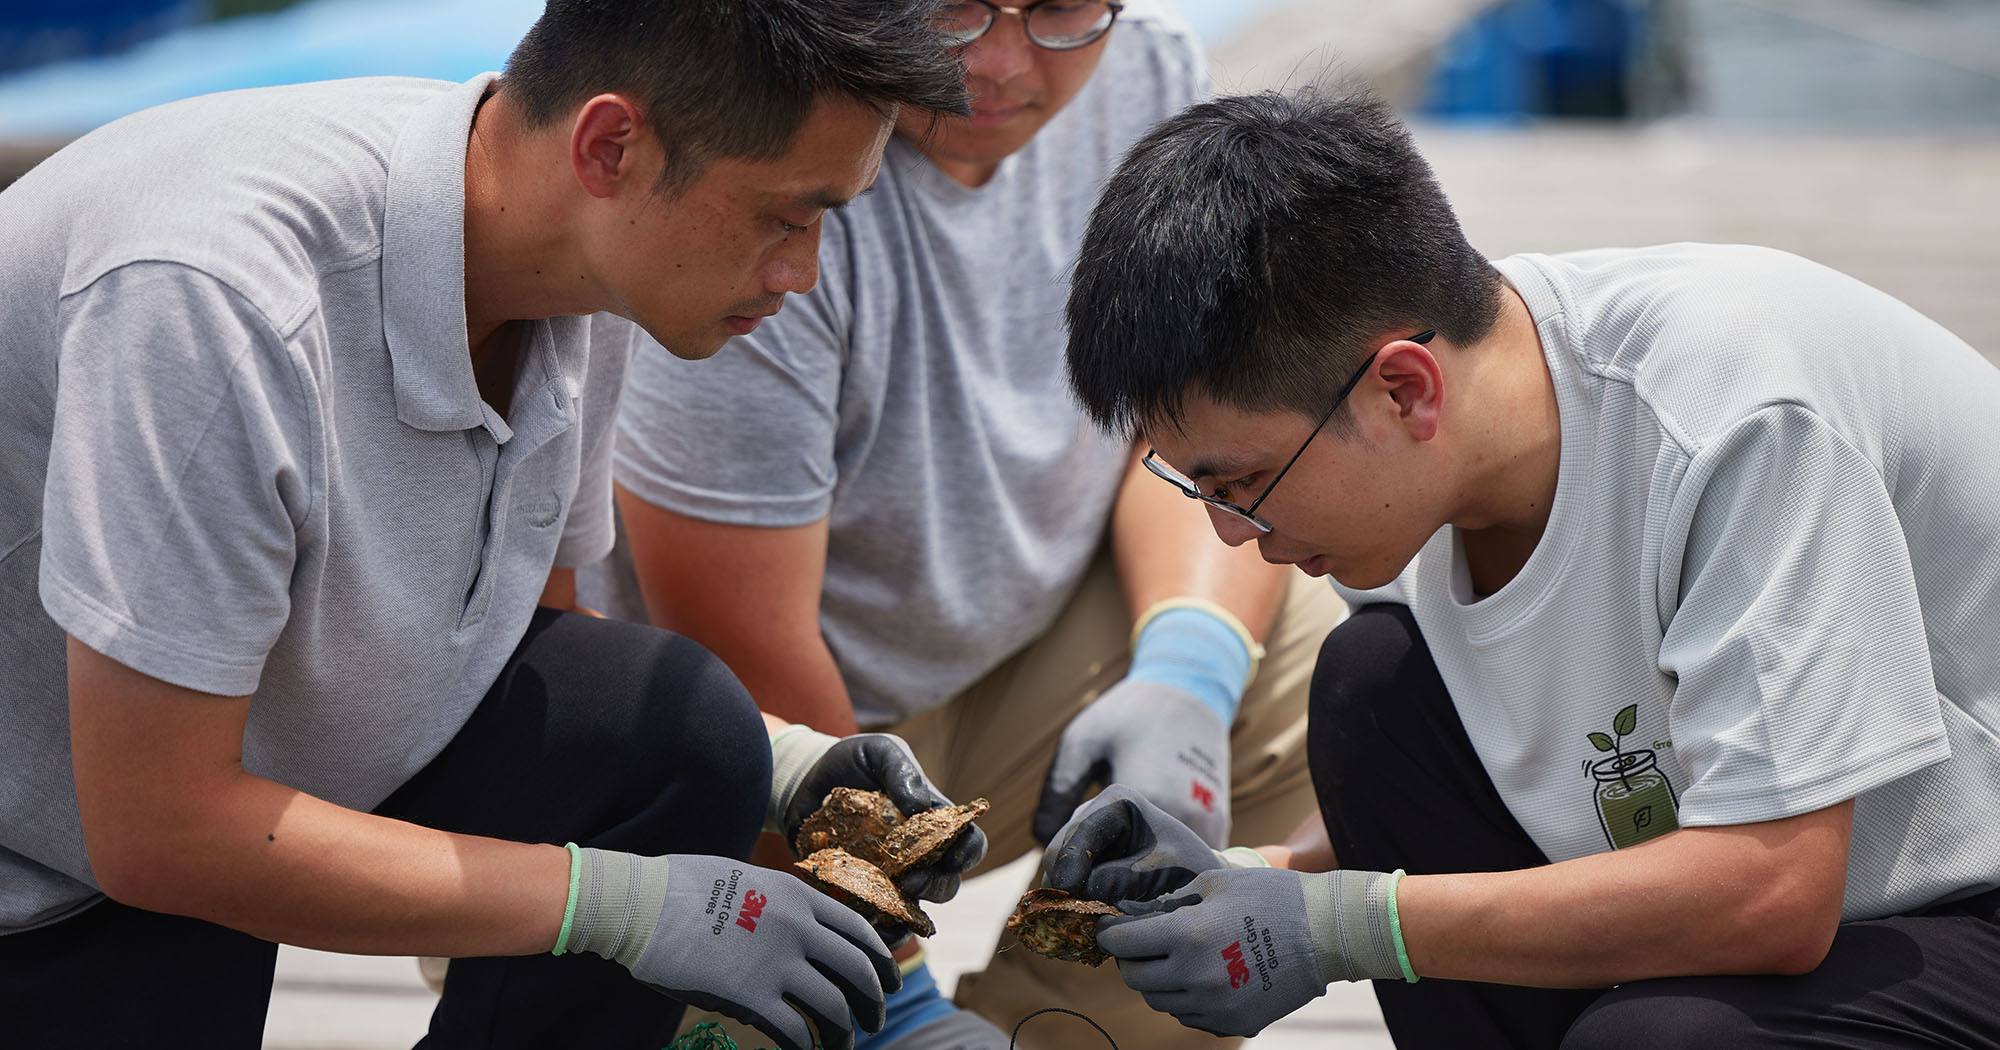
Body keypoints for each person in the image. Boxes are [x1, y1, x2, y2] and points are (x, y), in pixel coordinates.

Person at [0, 3, 985, 1049]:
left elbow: (529, 669)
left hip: (217, 777)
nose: (804, 273)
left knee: (674, 730)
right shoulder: (220, 301)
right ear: (609, 144)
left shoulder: (569, 254)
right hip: (52, 867)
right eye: (788, 216)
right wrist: (622, 908)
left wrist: (787, 764)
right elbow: (157, 832)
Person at [1045, 86, 2000, 1048]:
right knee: (1370, 688)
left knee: (1661, 1042)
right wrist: (1249, 878)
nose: (1230, 532)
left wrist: (1337, 929)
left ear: (1403, 390)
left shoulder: (1734, 416)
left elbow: (1773, 891)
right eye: (1198, 486)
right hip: (1806, 888)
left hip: (1963, 901)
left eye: (1243, 481)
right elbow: (1530, 764)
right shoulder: (1422, 449)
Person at [601, 1, 1346, 1046]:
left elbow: (1193, 429)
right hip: (727, 771)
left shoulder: (1149, 74)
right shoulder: (760, 159)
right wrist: (895, 992)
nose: (994, 67)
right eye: (947, 8)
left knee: (1312, 661)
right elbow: (735, 648)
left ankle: (1056, 1027)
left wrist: (1186, 669)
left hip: (998, 678)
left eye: (1057, 9)